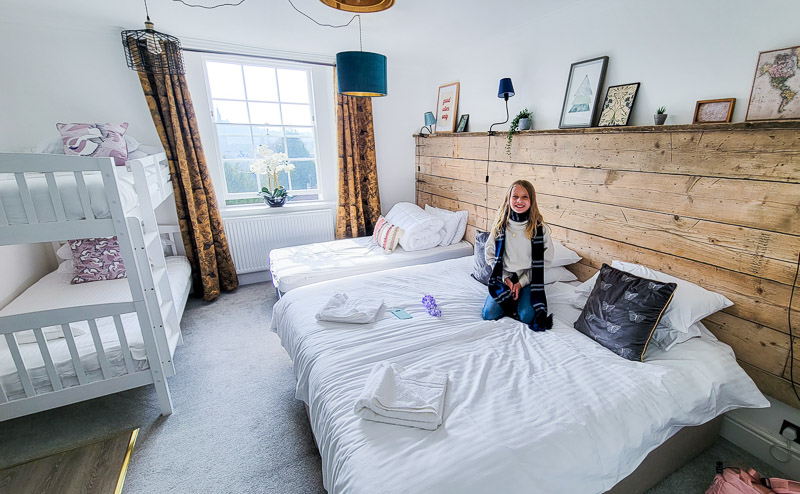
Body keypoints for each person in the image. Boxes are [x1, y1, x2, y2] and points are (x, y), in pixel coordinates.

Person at [482, 179, 554, 331]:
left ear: (531, 200)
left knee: (527, 317)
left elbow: (546, 261)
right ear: (508, 199)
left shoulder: (540, 229)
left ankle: (519, 297)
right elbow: (489, 253)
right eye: (515, 196)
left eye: (525, 197)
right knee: (488, 314)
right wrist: (506, 279)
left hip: (528, 279)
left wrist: (521, 283)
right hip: (505, 277)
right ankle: (512, 298)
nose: (519, 201)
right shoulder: (501, 225)